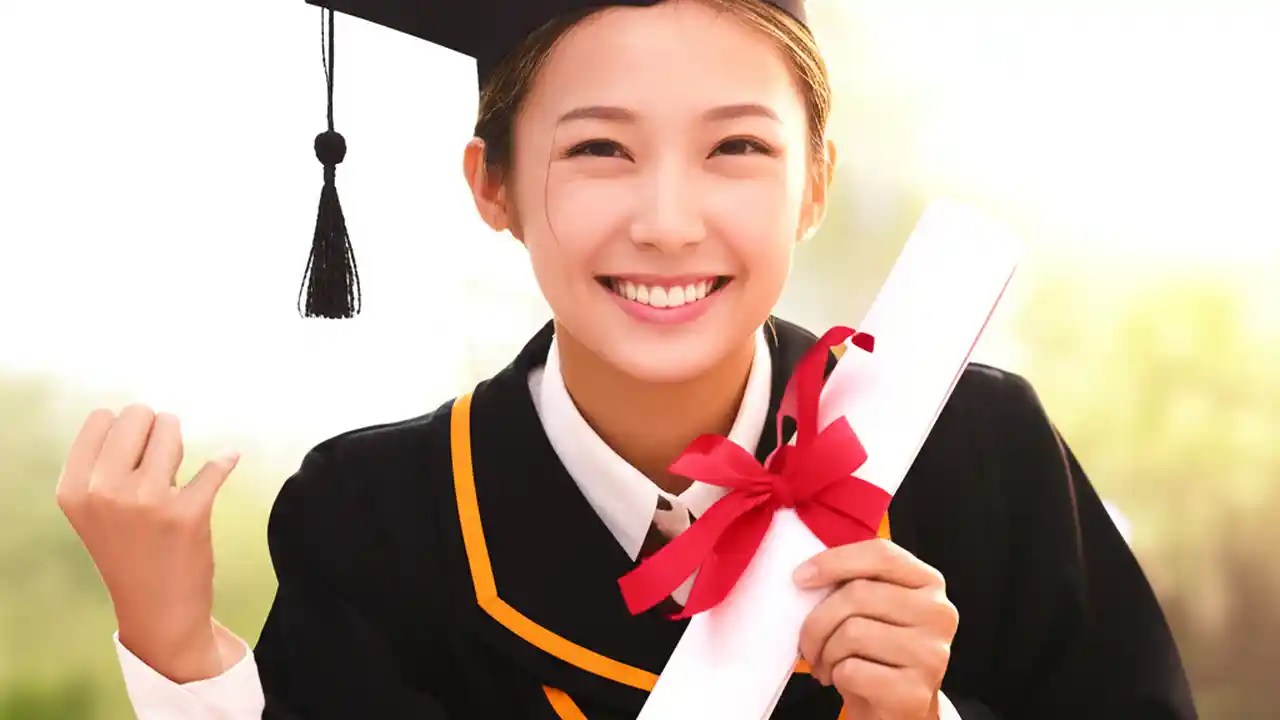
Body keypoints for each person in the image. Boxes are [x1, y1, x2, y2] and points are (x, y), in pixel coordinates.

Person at [54, 0, 1198, 717]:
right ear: (490, 186)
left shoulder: (970, 450)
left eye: (736, 148)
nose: (665, 220)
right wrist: (175, 647)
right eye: (599, 147)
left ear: (814, 183)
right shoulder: (377, 514)